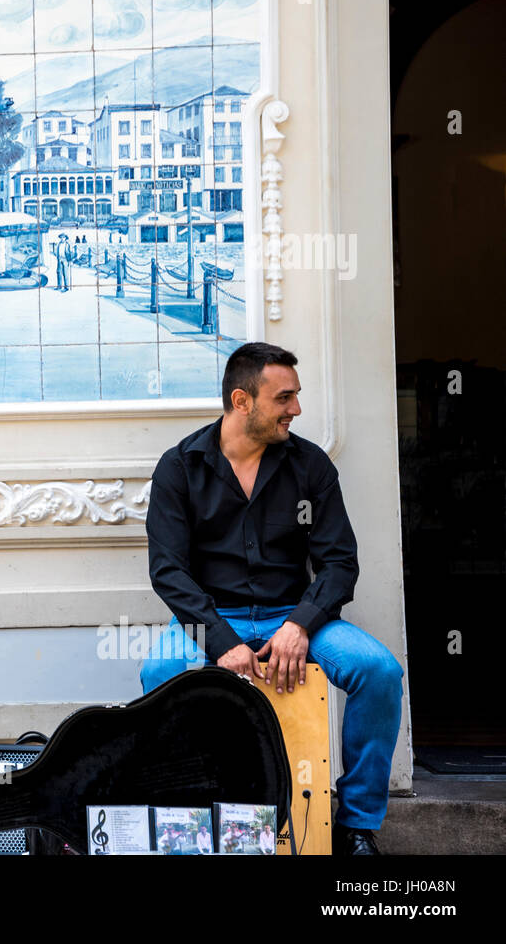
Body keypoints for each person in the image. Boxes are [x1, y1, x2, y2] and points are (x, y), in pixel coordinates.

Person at [140, 342, 403, 856]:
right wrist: (219, 640)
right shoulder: (180, 468)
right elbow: (168, 572)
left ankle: (354, 825)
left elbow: (339, 564)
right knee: (158, 674)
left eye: (296, 397)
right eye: (284, 398)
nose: (296, 410)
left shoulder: (310, 467)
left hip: (296, 615)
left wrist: (301, 625)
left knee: (380, 672)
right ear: (242, 401)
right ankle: (187, 824)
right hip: (214, 617)